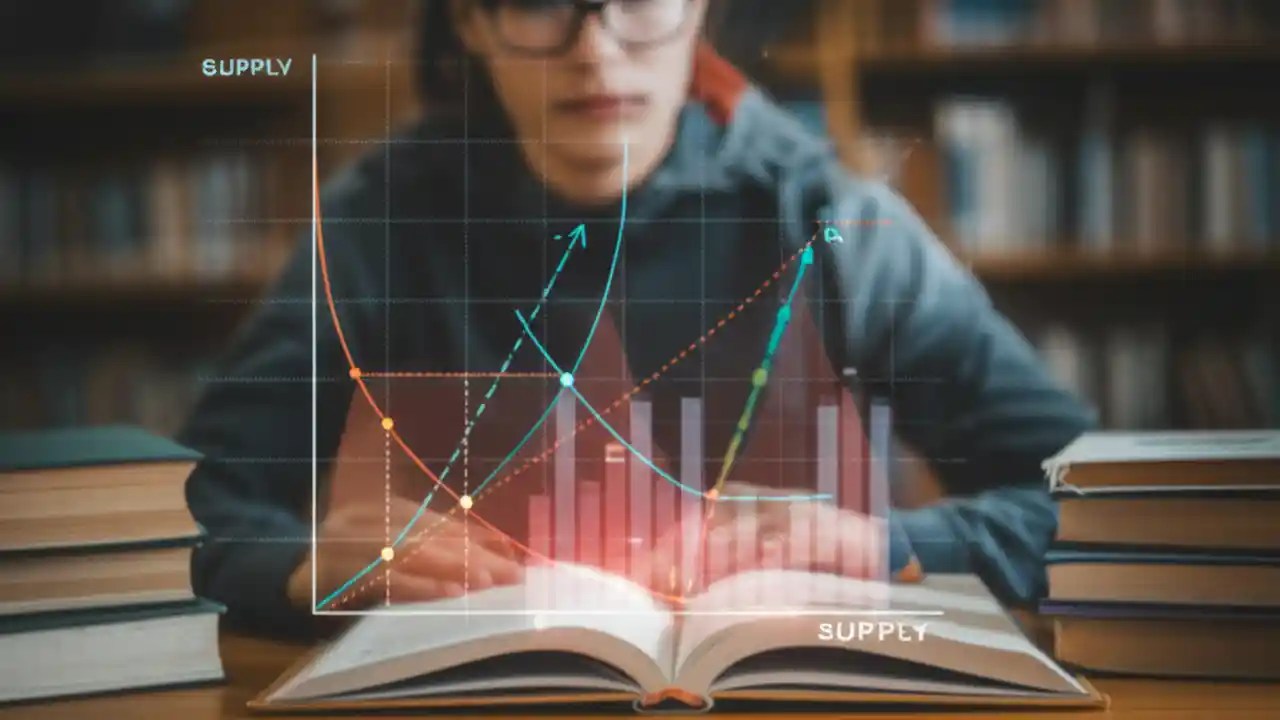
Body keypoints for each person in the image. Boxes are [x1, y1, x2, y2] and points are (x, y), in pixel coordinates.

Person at [180, 0, 1093, 637]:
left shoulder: (834, 222)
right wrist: (305, 569)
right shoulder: (376, 223)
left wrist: (890, 544)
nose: (597, 47)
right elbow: (183, 513)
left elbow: (1105, 510)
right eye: (539, 1)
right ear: (467, 18)